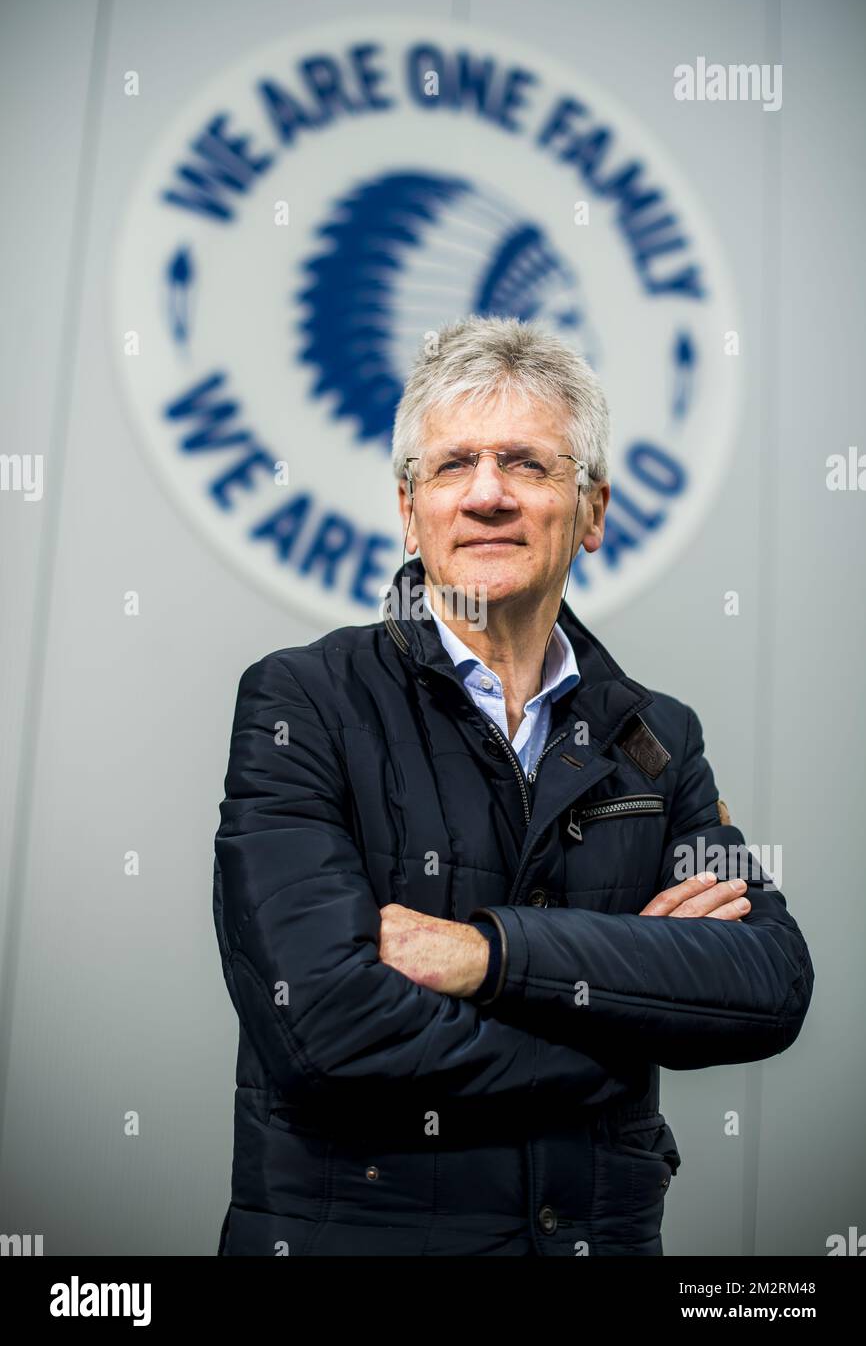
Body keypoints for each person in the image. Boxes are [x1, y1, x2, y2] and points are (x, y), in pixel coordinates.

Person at [212, 314, 813, 1256]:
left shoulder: (657, 740)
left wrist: (485, 956)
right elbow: (322, 1026)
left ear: (594, 512)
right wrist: (626, 1015)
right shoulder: (303, 702)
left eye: (528, 465)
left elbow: (769, 982)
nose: (487, 494)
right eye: (453, 466)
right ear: (410, 511)